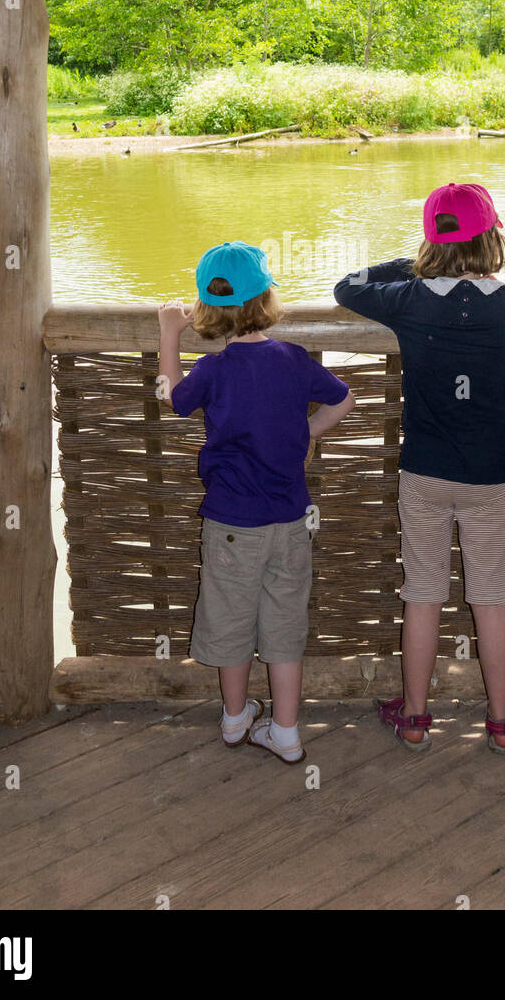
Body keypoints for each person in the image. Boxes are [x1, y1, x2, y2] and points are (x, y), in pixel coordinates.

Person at [334, 184, 505, 754]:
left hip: (424, 470)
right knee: (491, 595)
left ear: (429, 245)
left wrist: (414, 262)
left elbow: (346, 286)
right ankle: (501, 723)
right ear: (494, 237)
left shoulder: (407, 299)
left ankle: (416, 718)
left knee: (422, 593)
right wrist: (504, 276)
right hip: (490, 475)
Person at [158, 240, 355, 764]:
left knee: (231, 620)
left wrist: (167, 333)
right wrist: (307, 432)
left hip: (229, 524)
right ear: (267, 298)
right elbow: (343, 397)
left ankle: (234, 718)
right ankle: (286, 733)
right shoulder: (292, 360)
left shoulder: (214, 370)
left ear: (206, 307)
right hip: (290, 522)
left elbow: (175, 399)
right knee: (284, 626)